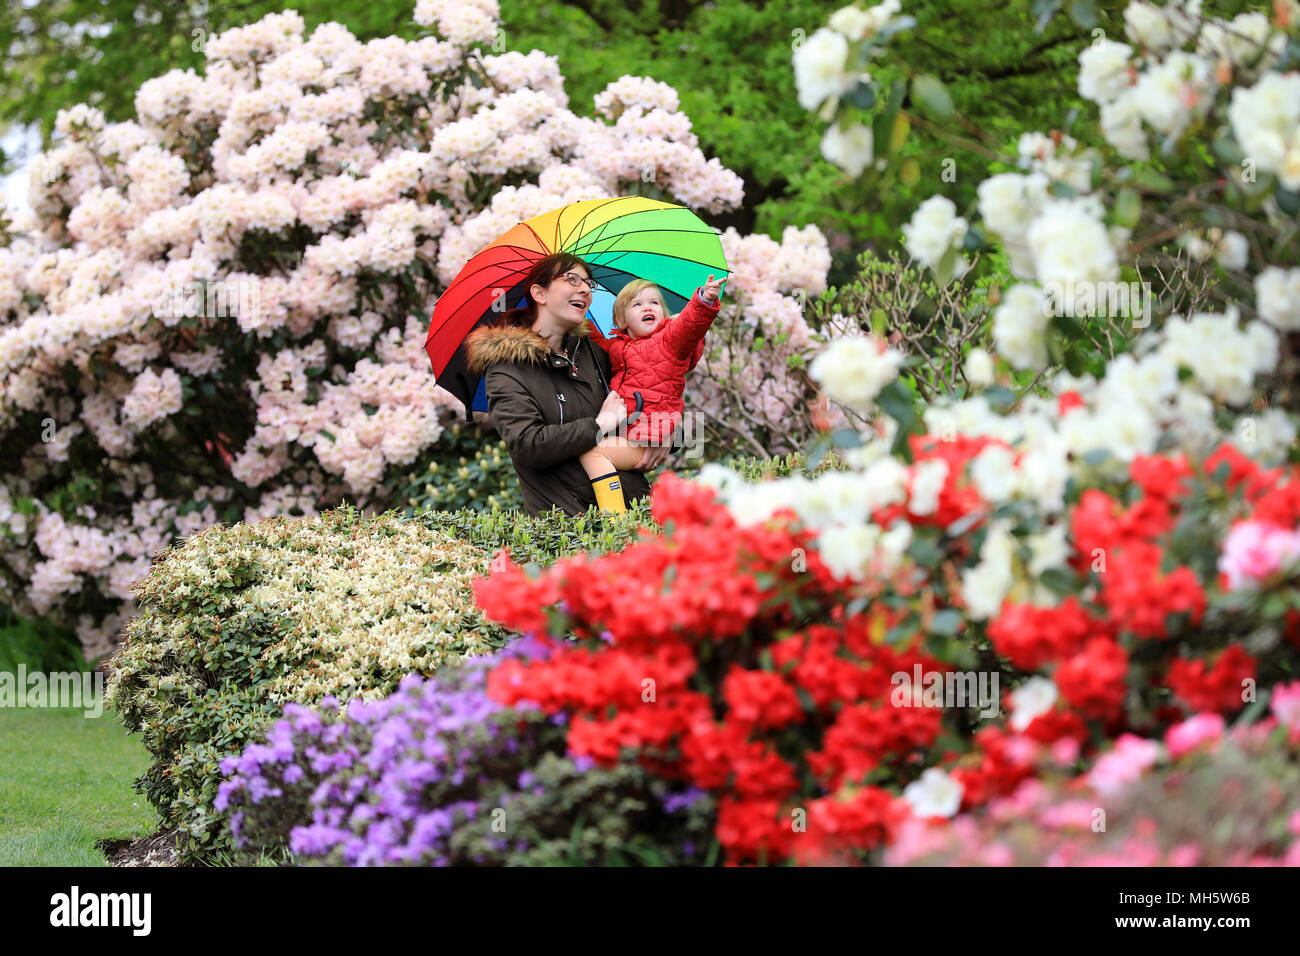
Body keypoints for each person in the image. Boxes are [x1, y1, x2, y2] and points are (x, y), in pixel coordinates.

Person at [464, 253, 669, 517]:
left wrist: (666, 432)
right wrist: (599, 425)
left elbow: (651, 387)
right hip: (571, 527)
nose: (584, 289)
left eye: (588, 283)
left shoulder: (594, 351)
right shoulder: (507, 370)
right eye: (572, 279)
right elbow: (529, 445)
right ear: (540, 293)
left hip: (636, 513)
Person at [579, 275, 724, 512]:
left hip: (649, 434)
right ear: (620, 320)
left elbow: (690, 324)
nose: (647, 307)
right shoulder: (618, 347)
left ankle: (615, 518)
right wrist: (580, 316)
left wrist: (704, 300)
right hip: (629, 431)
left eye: (654, 303)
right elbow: (596, 340)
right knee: (599, 452)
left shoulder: (670, 341)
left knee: (594, 453)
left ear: (665, 314)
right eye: (636, 304)